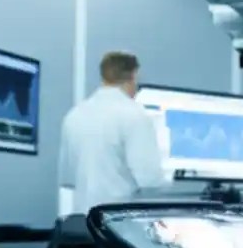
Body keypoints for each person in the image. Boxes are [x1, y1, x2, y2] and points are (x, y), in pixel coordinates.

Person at [58, 51, 167, 215]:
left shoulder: (74, 115)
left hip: (82, 226)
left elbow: (68, 180)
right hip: (119, 226)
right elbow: (150, 180)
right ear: (133, 76)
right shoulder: (134, 114)